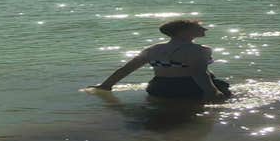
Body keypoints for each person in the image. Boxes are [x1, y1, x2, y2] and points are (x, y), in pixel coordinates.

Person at [90, 19, 231, 102]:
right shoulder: (200, 49)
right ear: (183, 32)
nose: (204, 28)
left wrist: (105, 86)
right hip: (189, 87)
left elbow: (126, 69)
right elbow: (199, 73)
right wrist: (213, 93)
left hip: (158, 88)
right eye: (198, 27)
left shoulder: (153, 49)